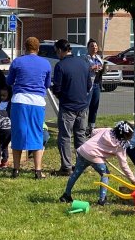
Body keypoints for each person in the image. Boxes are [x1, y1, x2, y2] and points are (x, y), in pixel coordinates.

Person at [6, 37, 53, 179]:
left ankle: (16, 169)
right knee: (37, 132)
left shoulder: (17, 62)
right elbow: (47, 84)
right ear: (38, 48)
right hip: (37, 101)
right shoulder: (46, 63)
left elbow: (9, 81)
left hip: (20, 100)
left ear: (25, 48)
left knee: (18, 132)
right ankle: (37, 170)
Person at [59, 121, 135, 206]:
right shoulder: (120, 146)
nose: (130, 138)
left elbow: (93, 132)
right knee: (105, 175)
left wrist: (98, 145)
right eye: (129, 136)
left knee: (75, 174)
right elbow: (124, 165)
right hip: (94, 156)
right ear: (124, 135)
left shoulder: (108, 130)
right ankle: (102, 200)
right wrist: (133, 180)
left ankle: (66, 195)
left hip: (83, 151)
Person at [52, 39, 93, 176]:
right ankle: (81, 164)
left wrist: (61, 96)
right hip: (82, 105)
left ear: (59, 50)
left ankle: (66, 167)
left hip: (67, 106)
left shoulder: (60, 65)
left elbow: (56, 88)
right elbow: (88, 85)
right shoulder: (84, 63)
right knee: (80, 136)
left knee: (64, 137)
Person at [86, 39, 107, 132]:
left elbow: (103, 70)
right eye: (92, 46)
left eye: (95, 46)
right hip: (89, 85)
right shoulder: (85, 58)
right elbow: (83, 69)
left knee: (94, 106)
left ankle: (91, 127)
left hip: (97, 84)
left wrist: (104, 69)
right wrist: (91, 68)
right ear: (88, 48)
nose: (94, 47)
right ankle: (82, 127)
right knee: (86, 106)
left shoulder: (99, 58)